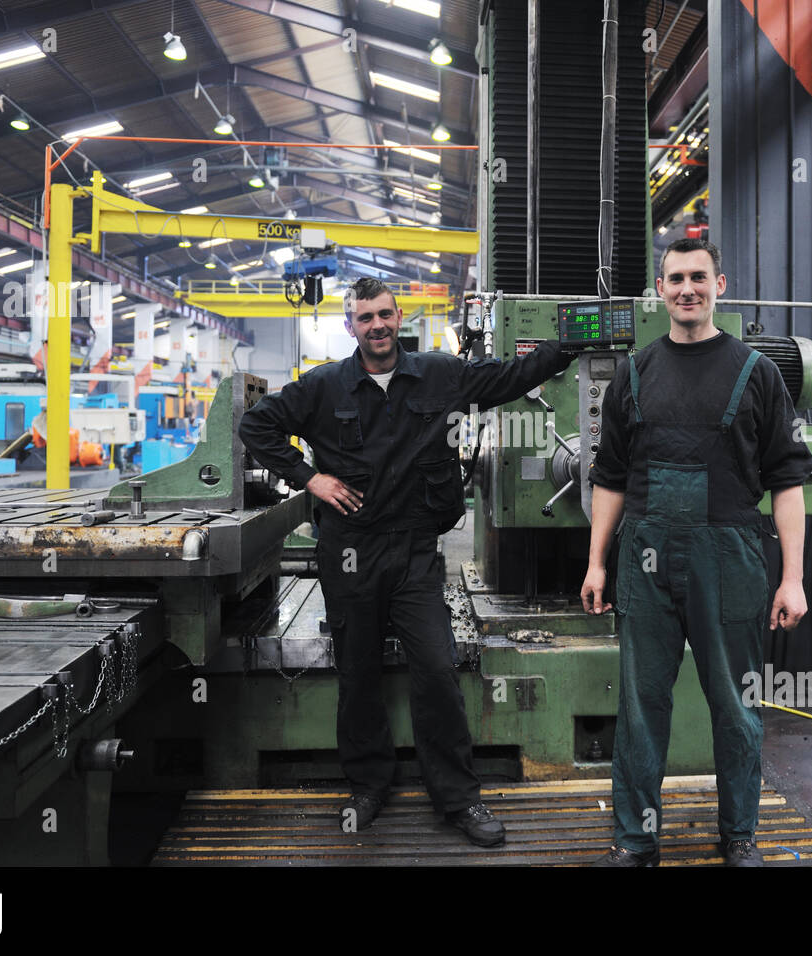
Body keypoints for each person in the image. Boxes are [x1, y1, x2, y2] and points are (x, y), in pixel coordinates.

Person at [239, 277, 572, 847]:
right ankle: (368, 786)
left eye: (385, 314)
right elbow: (255, 426)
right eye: (365, 317)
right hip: (349, 553)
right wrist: (310, 479)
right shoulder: (322, 386)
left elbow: (510, 377)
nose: (377, 326)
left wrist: (571, 342)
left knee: (437, 670)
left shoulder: (440, 375)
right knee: (358, 673)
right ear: (351, 327)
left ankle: (459, 798)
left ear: (401, 317)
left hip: (416, 551)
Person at [581, 238, 812, 867]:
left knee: (736, 706)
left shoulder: (758, 374)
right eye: (676, 278)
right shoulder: (633, 372)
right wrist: (597, 561)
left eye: (699, 277)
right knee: (640, 706)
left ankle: (739, 834)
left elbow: (788, 483)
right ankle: (636, 838)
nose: (688, 288)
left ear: (721, 284)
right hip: (646, 558)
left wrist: (792, 579)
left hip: (729, 557)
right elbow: (609, 478)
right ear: (660, 290)